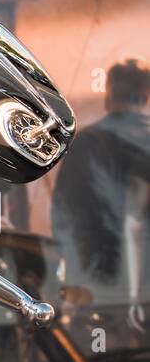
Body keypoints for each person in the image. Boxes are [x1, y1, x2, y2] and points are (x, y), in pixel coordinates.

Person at [52, 58, 150, 327]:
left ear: (109, 93)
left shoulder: (85, 145)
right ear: (146, 94)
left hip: (100, 291)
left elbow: (64, 219)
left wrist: (74, 281)